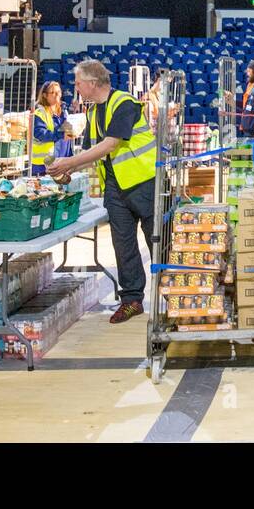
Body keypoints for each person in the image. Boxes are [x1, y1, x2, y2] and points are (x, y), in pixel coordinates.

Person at [46, 60, 156, 324]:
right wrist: (70, 171)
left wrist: (69, 162)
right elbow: (90, 152)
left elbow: (110, 144)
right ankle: (131, 300)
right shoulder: (92, 113)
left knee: (159, 242)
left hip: (145, 182)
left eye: (78, 83)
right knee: (124, 245)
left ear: (92, 83)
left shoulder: (124, 103)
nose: (76, 88)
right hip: (115, 188)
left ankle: (174, 296)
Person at [31, 81, 72, 175]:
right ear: (45, 95)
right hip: (44, 164)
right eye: (53, 92)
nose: (57, 95)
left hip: (63, 159)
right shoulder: (40, 113)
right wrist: (62, 134)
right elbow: (41, 134)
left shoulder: (64, 111)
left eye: (59, 92)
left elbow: (68, 130)